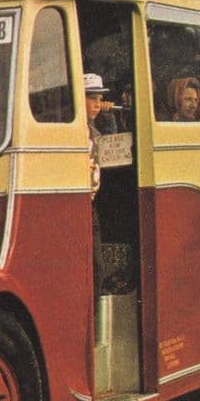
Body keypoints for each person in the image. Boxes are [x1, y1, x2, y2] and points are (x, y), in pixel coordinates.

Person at [84, 73, 109, 296]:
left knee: (97, 266)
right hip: (80, 202)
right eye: (92, 98)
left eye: (99, 99)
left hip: (91, 202)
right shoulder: (76, 132)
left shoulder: (95, 132)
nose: (97, 105)